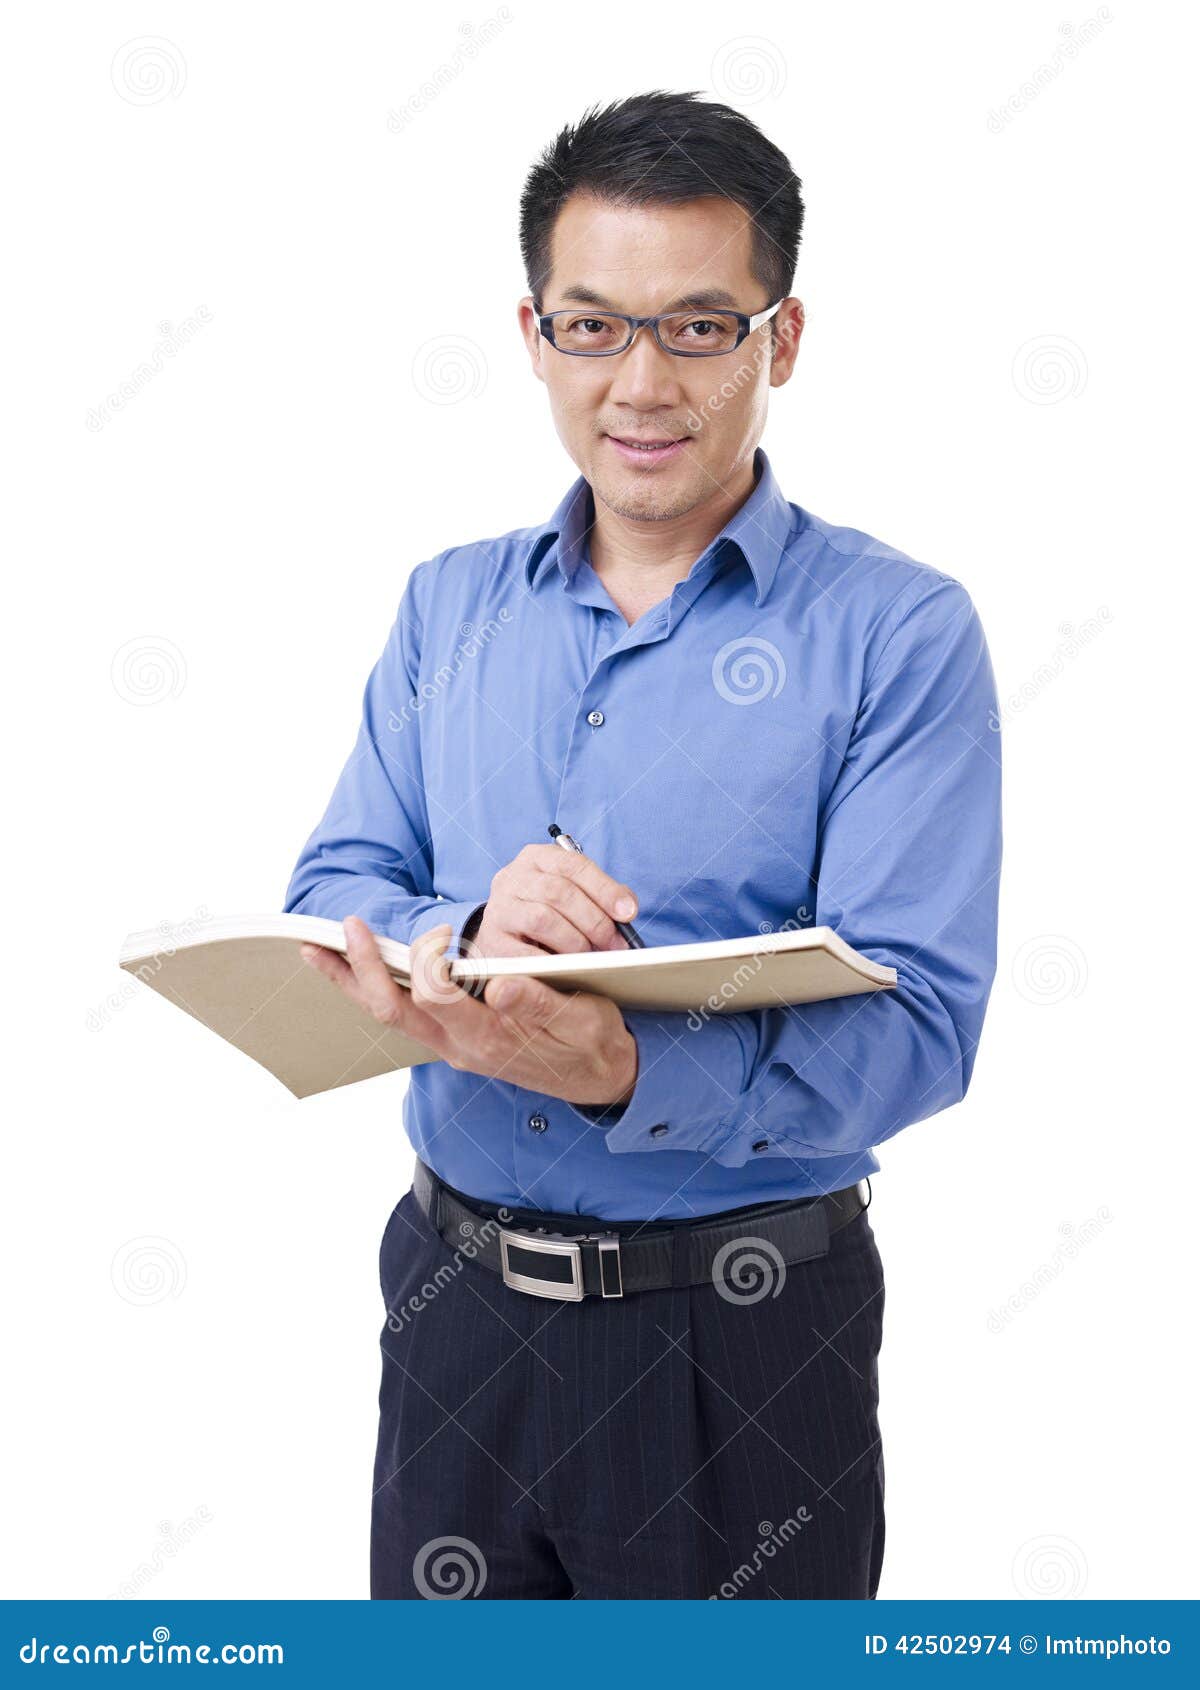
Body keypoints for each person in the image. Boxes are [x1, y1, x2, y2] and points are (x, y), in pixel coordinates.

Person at [285, 89, 1001, 1600]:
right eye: (594, 325)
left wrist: (622, 1070)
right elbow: (335, 891)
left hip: (742, 1338)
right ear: (536, 333)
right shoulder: (446, 607)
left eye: (699, 325)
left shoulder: (897, 634)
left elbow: (923, 1029)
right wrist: (469, 921)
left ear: (781, 339)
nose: (642, 381)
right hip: (455, 1317)